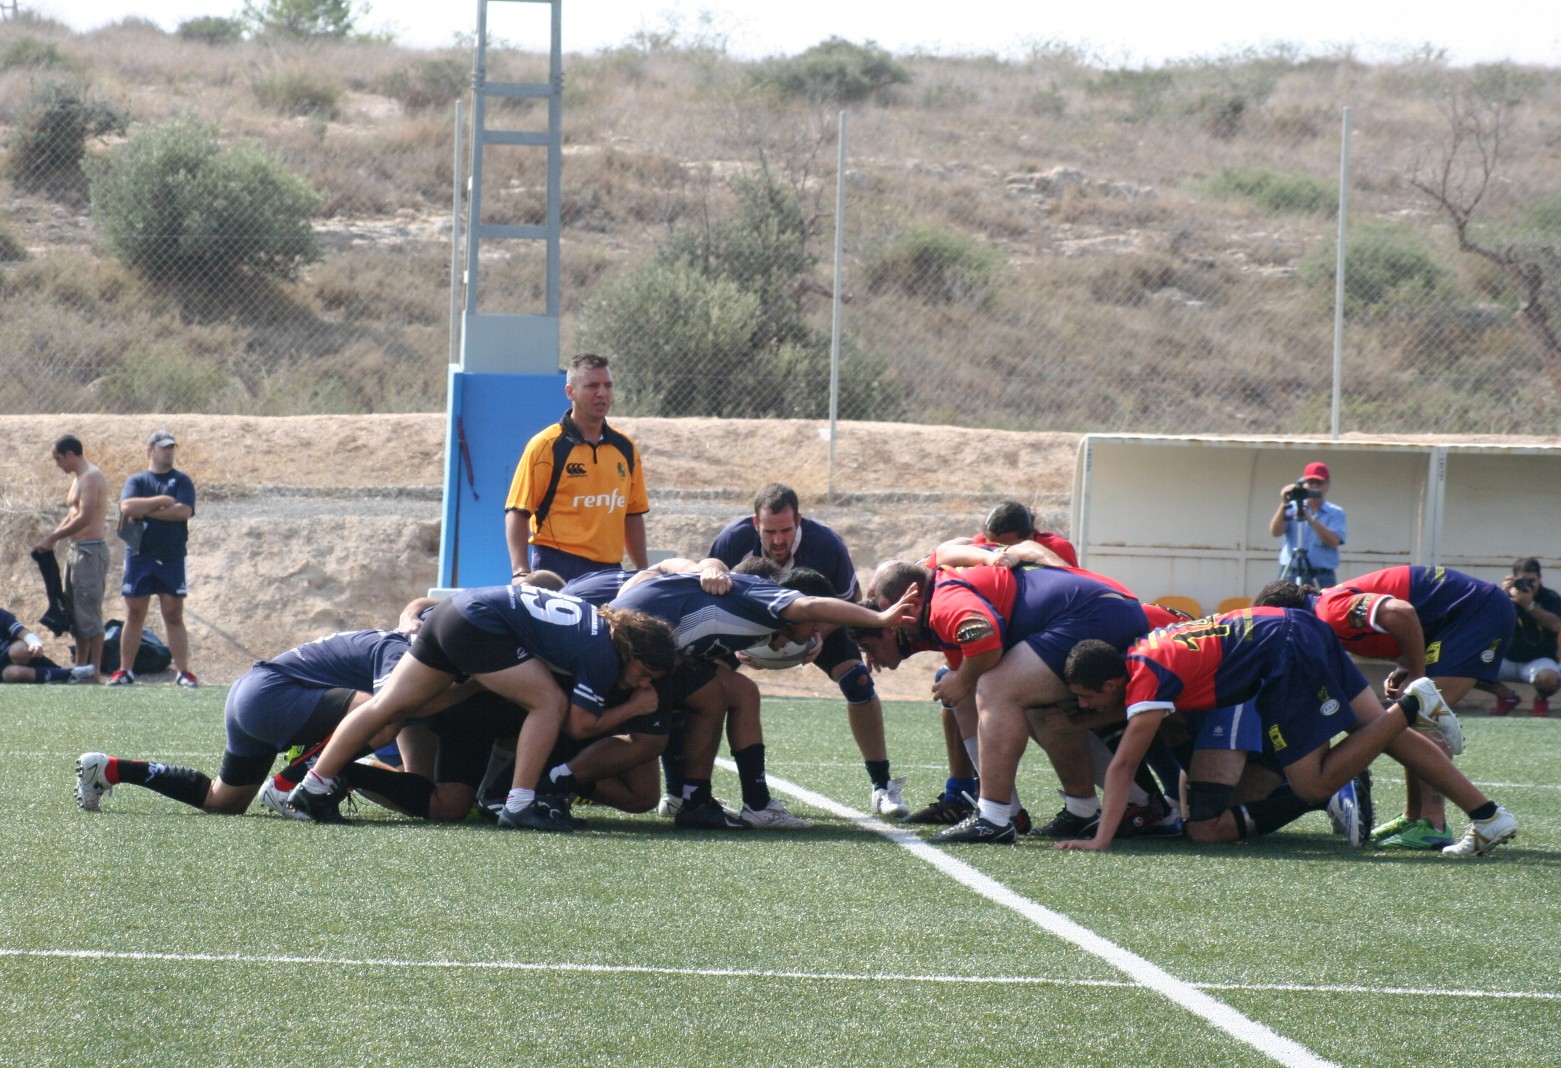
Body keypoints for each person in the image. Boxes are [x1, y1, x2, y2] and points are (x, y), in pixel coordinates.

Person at [1060, 608, 1518, 858]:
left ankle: (1414, 703)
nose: (1084, 707)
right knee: (1379, 731)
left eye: (1086, 697)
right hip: (1292, 628)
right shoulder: (1141, 657)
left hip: (1283, 651)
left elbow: (1123, 765)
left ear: (1111, 683)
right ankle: (1488, 814)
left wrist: (1100, 839)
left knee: (1313, 782)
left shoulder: (1145, 680)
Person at [286, 585, 677, 831]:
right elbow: (579, 726)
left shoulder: (598, 627)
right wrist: (632, 709)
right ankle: (519, 803)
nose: (645, 683)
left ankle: (312, 787)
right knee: (549, 704)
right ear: (629, 649)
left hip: (454, 612)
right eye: (644, 672)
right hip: (479, 624)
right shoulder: (603, 652)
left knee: (389, 704)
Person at [72, 598, 457, 817]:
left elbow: (420, 606)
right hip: (271, 696)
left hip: (250, 694)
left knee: (222, 800)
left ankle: (110, 769)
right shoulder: (400, 648)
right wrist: (473, 687)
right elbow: (394, 709)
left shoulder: (399, 637)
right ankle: (287, 783)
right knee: (384, 716)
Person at [1256, 565, 1513, 849]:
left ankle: (1435, 824)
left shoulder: (1330, 610)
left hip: (1476, 611)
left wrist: (1418, 676)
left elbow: (1401, 612)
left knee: (1422, 714)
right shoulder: (1326, 609)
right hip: (1464, 614)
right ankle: (1416, 816)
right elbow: (1417, 614)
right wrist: (1407, 665)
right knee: (1408, 716)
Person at [708, 483, 910, 817]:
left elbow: (849, 601)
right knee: (701, 685)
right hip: (744, 630)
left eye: (786, 530)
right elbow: (714, 602)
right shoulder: (732, 540)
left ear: (799, 521)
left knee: (859, 681)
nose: (777, 540)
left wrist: (820, 632)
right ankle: (687, 791)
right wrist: (742, 638)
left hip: (817, 625)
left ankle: (882, 786)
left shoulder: (826, 544)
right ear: (755, 524)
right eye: (770, 531)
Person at [504, 352, 649, 584]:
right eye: (592, 386)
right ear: (570, 392)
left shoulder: (626, 448)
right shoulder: (546, 445)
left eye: (608, 386)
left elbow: (632, 515)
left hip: (610, 570)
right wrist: (520, 571)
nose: (602, 393)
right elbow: (518, 511)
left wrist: (644, 571)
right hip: (557, 564)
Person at [109, 430, 197, 687]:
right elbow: (127, 507)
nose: (168, 452)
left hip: (171, 556)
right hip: (139, 555)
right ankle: (125, 671)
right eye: (163, 448)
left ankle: (183, 672)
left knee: (173, 613)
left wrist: (146, 512)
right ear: (151, 450)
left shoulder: (181, 480)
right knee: (134, 613)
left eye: (171, 448)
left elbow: (183, 512)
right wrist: (161, 501)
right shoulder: (138, 480)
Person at [33, 434, 109, 682]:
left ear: (70, 454)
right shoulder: (77, 479)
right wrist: (51, 537)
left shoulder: (92, 477)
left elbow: (85, 517)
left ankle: (95, 671)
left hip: (91, 551)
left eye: (58, 459)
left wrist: (54, 538)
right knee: (75, 613)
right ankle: (80, 668)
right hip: (76, 551)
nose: (57, 464)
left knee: (90, 612)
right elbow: (71, 515)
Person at [1488, 558, 1561, 717]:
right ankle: (1506, 696)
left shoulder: (1549, 597)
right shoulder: (1504, 597)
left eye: (1531, 580)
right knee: (1469, 666)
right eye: (1522, 580)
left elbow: (1556, 625)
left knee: (1549, 678)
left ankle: (1541, 700)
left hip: (1538, 660)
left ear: (1540, 579)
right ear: (1513, 579)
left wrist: (1530, 605)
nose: (1528, 584)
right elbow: (1487, 623)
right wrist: (1502, 596)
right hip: (1506, 659)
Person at [1268, 461, 1345, 587]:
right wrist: (1284, 503)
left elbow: (1334, 541)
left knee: (1323, 606)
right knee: (1283, 606)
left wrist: (1309, 518)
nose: (1314, 486)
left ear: (1327, 485)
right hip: (1290, 574)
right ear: (1303, 484)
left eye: (1318, 483)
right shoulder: (1291, 507)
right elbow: (1275, 532)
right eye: (1310, 482)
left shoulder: (1335, 513)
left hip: (1321, 576)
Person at [1, 607, 76, 683]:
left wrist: (34, 643)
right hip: (3, 670)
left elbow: (21, 631)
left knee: (18, 650)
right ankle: (63, 675)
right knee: (14, 673)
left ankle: (66, 673)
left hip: (17, 655)